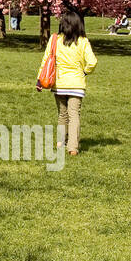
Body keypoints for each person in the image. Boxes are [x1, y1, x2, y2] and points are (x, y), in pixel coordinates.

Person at [38, 8, 97, 156]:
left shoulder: (54, 40)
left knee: (62, 114)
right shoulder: (83, 42)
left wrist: (40, 80)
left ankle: (60, 143)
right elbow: (92, 62)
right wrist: (85, 71)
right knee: (74, 115)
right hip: (76, 84)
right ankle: (73, 147)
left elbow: (46, 60)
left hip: (59, 83)